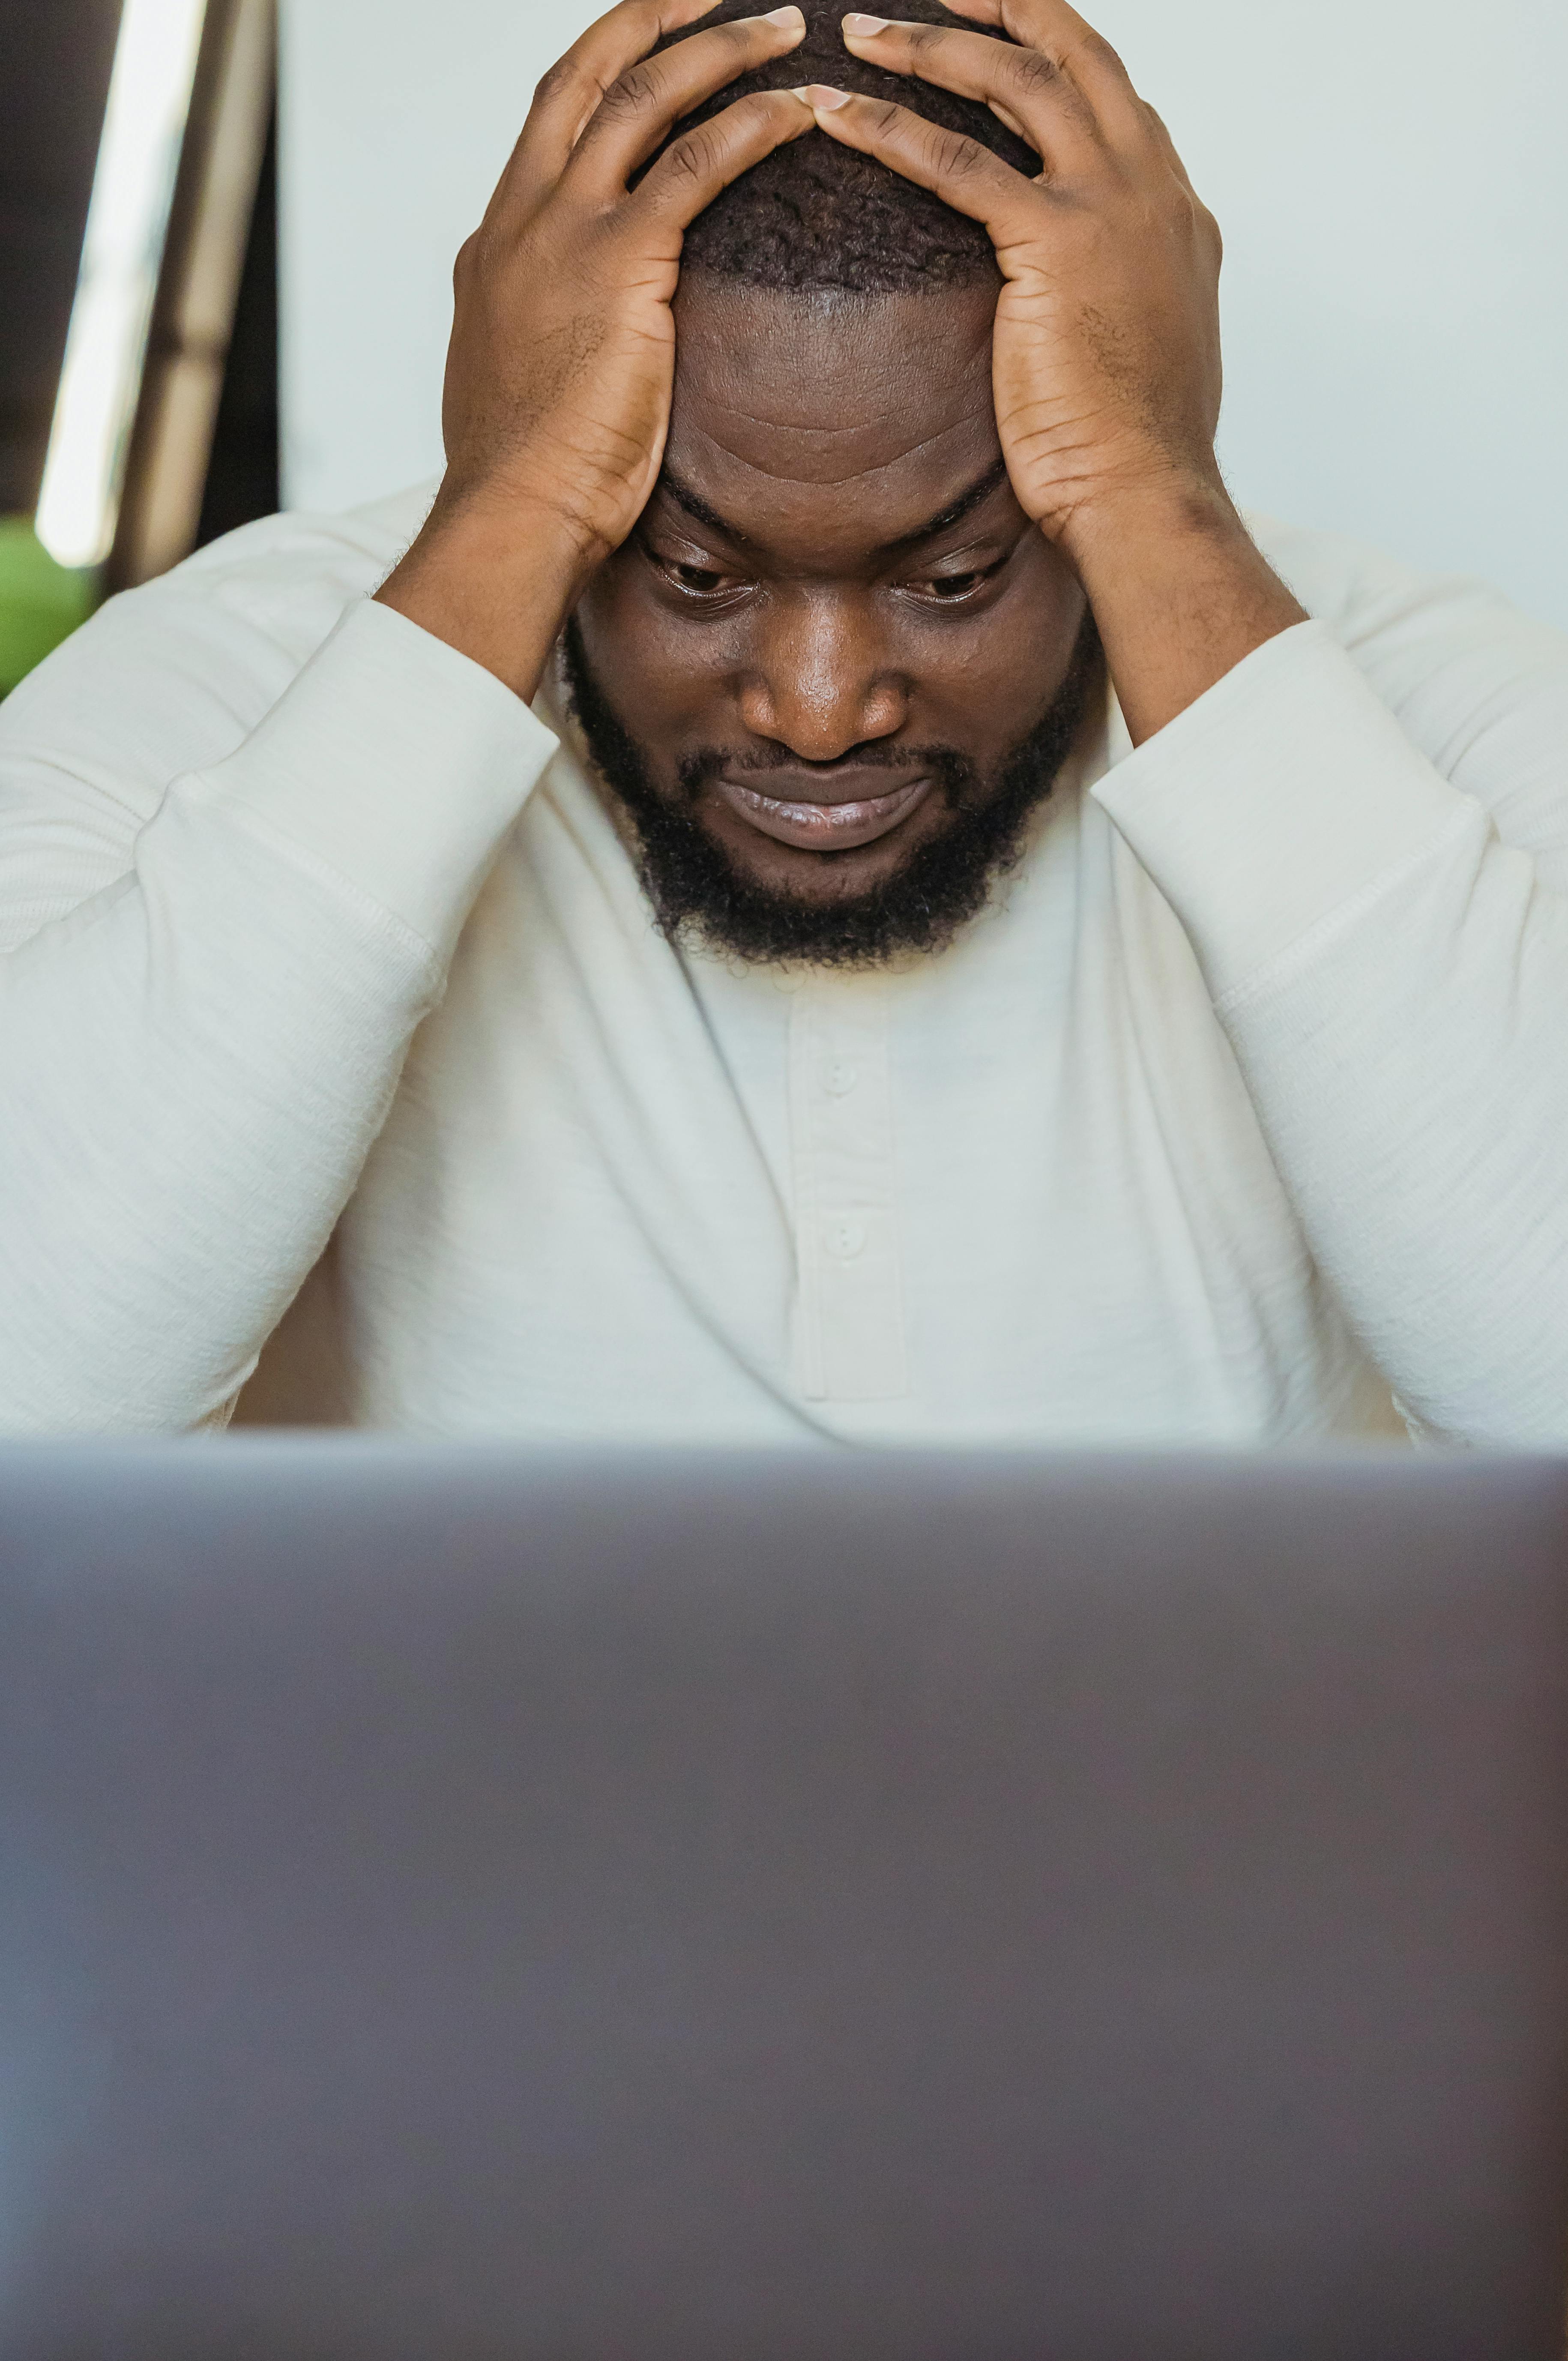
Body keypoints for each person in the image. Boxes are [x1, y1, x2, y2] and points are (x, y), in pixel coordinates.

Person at [2, 0, 1565, 1446]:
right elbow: (36, 1400)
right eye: (691, 568)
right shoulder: (250, 673)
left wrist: (1158, 511)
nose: (822, 711)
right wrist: (510, 512)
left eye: (954, 574)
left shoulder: (1402, 690)